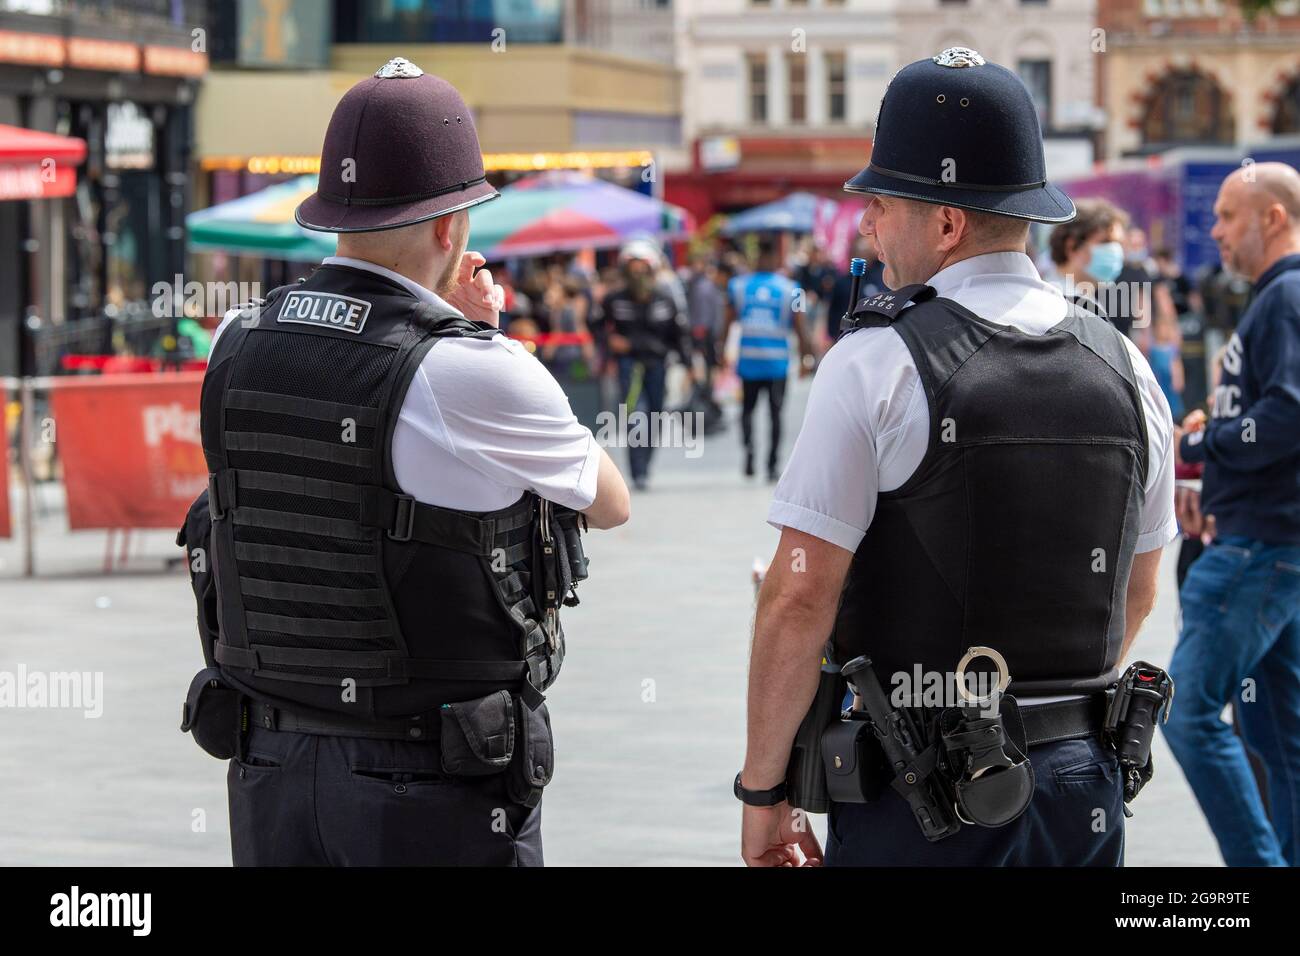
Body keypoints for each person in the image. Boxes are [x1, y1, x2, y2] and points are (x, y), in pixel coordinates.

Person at [179, 58, 630, 867]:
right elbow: (609, 499)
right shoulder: (473, 369)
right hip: (425, 779)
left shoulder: (234, 341)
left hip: (271, 769)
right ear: (451, 230)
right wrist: (490, 338)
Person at [737, 48, 1175, 867]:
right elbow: (1137, 590)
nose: (865, 224)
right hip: (1081, 784)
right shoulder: (1126, 364)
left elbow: (799, 598)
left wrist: (766, 795)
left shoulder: (875, 362)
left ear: (946, 223)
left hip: (924, 795)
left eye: (881, 202)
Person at [1163, 161, 1300, 867]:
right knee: (1280, 738)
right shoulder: (1275, 298)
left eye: (1224, 215)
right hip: (1272, 546)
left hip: (1255, 548)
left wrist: (1204, 441)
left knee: (1187, 712)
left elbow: (1286, 415)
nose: (1213, 230)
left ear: (1271, 217)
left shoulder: (1286, 296)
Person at [591, 240, 693, 491]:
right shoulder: (614, 300)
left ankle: (646, 465)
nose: (638, 274)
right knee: (636, 416)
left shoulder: (665, 300)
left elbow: (679, 335)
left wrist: (690, 365)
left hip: (657, 365)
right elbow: (596, 325)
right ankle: (637, 471)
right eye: (632, 268)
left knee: (656, 415)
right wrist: (610, 342)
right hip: (629, 366)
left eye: (642, 268)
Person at [723, 237, 811, 481]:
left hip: (752, 363)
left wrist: (721, 352)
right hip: (776, 365)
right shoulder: (793, 289)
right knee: (774, 415)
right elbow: (801, 327)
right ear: (776, 259)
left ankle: (753, 456)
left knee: (748, 413)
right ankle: (770, 464)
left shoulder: (737, 286)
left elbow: (726, 321)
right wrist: (807, 358)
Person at [1047, 198, 1135, 334]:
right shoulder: (1056, 303)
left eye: (1118, 243)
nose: (1115, 251)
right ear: (1072, 247)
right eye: (1106, 242)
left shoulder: (1088, 301)